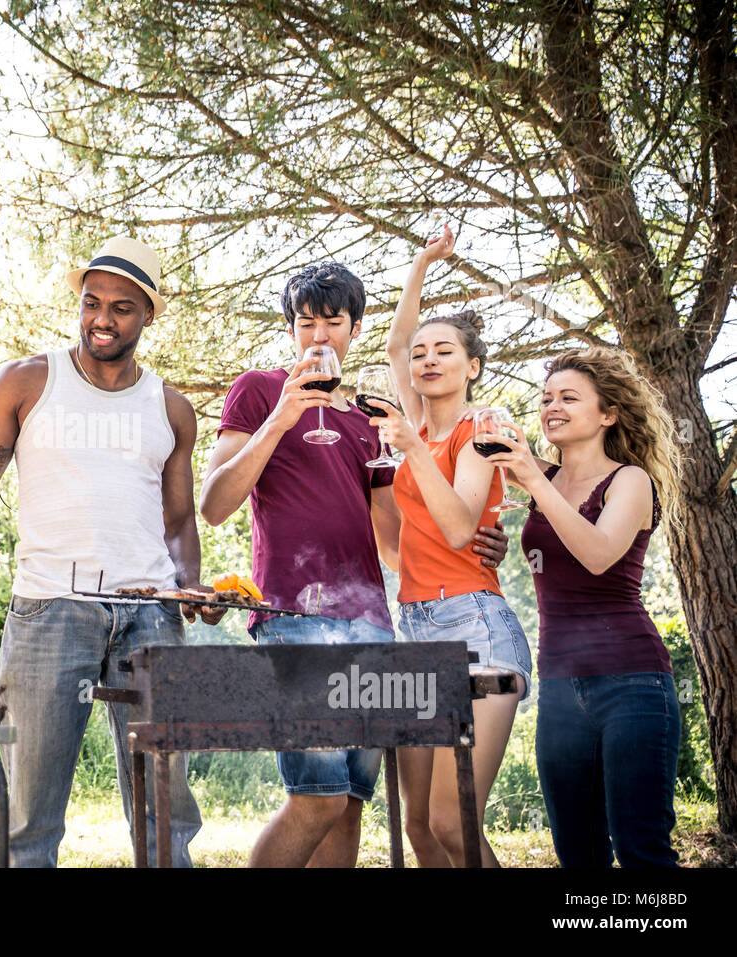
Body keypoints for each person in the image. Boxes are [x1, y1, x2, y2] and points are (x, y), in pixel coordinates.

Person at [0, 236, 224, 867]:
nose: (102, 318)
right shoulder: (28, 382)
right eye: (92, 302)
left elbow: (177, 521)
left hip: (150, 616)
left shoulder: (172, 408)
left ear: (149, 314)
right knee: (28, 817)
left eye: (122, 307)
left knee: (164, 817)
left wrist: (190, 587)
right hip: (50, 609)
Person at [200, 257, 508, 868]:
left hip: (371, 623)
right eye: (306, 323)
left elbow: (395, 542)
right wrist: (283, 417)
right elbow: (213, 504)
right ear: (291, 329)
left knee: (347, 811)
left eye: (333, 322)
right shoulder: (260, 390)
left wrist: (477, 540)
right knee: (316, 798)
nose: (319, 337)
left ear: (354, 329)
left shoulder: (371, 421)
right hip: (294, 615)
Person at [483, 347, 683, 867]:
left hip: (632, 682)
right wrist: (502, 549)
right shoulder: (539, 479)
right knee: (577, 854)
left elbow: (596, 555)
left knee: (642, 849)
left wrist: (532, 483)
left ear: (608, 413)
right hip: (558, 687)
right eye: (547, 397)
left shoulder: (630, 481)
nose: (552, 406)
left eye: (570, 397)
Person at [377, 226, 531, 868]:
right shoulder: (413, 424)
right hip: (414, 629)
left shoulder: (478, 430)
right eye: (420, 355)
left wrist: (413, 450)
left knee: (453, 821)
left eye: (444, 351)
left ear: (472, 367)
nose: (426, 360)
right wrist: (418, 263)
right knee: (419, 827)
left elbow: (463, 528)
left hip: (474, 627)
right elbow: (393, 341)